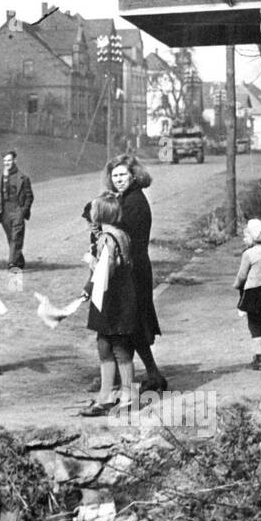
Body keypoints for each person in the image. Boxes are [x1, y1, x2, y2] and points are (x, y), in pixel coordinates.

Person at [105, 154, 165, 391]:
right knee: (132, 322)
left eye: (123, 175)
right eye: (115, 175)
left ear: (133, 175)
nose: (118, 179)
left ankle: (137, 376)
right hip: (132, 265)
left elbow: (122, 235)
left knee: (130, 322)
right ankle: (151, 374)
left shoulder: (134, 202)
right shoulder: (126, 198)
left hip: (133, 267)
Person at [79, 191, 138, 417]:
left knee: (115, 348)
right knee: (107, 345)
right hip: (118, 297)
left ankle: (123, 396)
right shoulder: (121, 234)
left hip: (112, 299)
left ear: (100, 214)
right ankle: (111, 395)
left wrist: (90, 261)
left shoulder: (106, 238)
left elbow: (108, 270)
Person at [233, 218, 261, 370]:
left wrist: (236, 285)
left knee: (254, 325)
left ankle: (258, 358)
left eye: (246, 236)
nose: (245, 240)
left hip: (253, 292)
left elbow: (242, 275)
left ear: (251, 237)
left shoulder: (248, 254)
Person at [0, 150, 34, 270]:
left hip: (17, 208)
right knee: (11, 238)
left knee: (16, 236)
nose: (7, 163)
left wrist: (23, 211)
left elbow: (29, 196)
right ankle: (19, 260)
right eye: (5, 160)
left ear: (14, 161)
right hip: (4, 210)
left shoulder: (23, 177)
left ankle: (12, 263)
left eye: (9, 160)